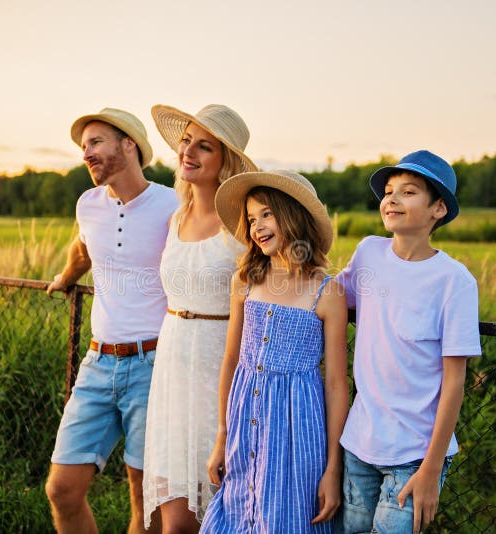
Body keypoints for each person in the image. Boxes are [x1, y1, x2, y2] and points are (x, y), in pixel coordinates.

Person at [44, 107, 178, 534]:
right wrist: (66, 278)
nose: (86, 153)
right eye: (84, 146)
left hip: (153, 366)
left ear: (129, 144)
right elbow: (83, 249)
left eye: (96, 142)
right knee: (61, 490)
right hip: (97, 365)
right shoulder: (87, 204)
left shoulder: (172, 204)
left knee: (145, 502)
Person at [334, 150, 482, 534]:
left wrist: (431, 469)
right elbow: (330, 298)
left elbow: (454, 382)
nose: (392, 199)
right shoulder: (368, 253)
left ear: (438, 209)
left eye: (409, 192)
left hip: (416, 455)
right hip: (360, 442)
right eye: (388, 191)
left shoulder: (454, 281)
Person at [200, 170, 349, 533]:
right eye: (252, 219)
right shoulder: (245, 281)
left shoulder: (326, 292)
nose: (257, 226)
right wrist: (222, 435)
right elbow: (232, 360)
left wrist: (333, 467)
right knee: (239, 512)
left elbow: (335, 384)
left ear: (292, 216)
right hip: (244, 426)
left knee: (288, 517)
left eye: (266, 214)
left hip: (298, 434)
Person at [141, 104, 258, 532]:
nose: (188, 151)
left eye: (204, 146)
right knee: (172, 514)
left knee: (217, 509)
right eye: (186, 141)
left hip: (220, 367)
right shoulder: (176, 217)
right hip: (172, 367)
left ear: (225, 161)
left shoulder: (244, 226)